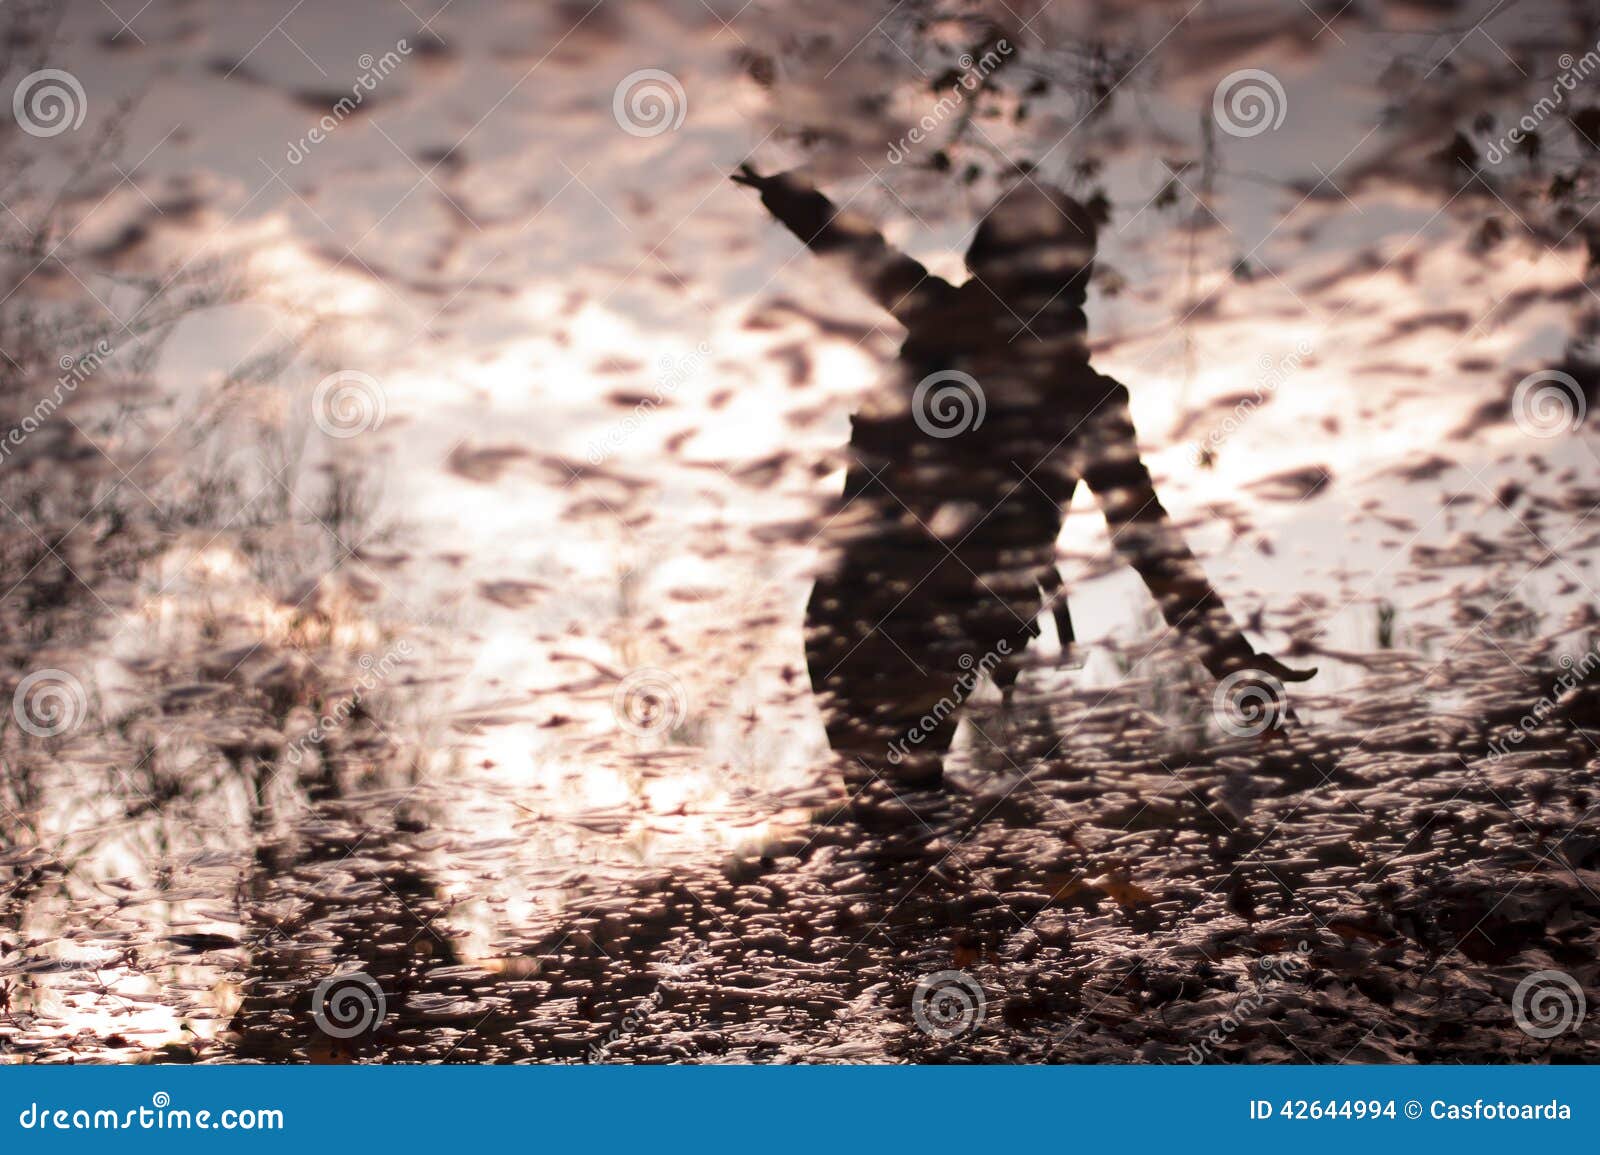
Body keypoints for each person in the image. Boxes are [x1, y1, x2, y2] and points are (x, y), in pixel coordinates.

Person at [733, 166, 1314, 818]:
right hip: (883, 616)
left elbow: (855, 250)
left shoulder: (964, 329)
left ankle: (921, 877)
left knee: (895, 816)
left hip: (875, 616)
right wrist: (1232, 662)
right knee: (900, 814)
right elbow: (1152, 545)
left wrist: (787, 193)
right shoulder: (1067, 388)